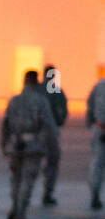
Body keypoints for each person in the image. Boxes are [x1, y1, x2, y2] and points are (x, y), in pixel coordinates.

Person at [1, 69, 57, 219]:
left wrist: (4, 145)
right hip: (33, 145)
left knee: (15, 179)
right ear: (36, 81)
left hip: (14, 144)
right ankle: (20, 213)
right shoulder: (41, 101)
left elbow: (5, 125)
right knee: (27, 180)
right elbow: (48, 125)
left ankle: (14, 206)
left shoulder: (14, 100)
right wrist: (49, 146)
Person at [39, 64, 67, 206]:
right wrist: (57, 123)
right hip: (51, 132)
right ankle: (47, 193)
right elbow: (63, 112)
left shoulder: (36, 89)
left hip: (35, 133)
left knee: (30, 164)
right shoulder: (57, 90)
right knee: (51, 163)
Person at [87, 74, 105, 211]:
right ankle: (94, 194)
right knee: (97, 163)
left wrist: (90, 124)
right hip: (100, 128)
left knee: (97, 163)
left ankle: (95, 193)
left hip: (99, 128)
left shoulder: (99, 85)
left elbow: (90, 105)